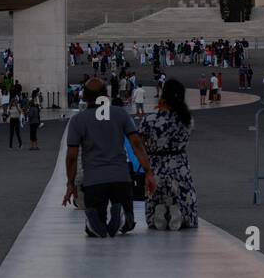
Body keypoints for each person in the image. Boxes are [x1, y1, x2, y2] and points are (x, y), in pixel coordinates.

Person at [63, 77, 154, 238]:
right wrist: (147, 171)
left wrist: (70, 183)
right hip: (120, 176)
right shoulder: (120, 114)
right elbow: (137, 144)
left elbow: (71, 156)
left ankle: (93, 222)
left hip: (93, 180)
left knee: (96, 222)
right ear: (106, 94)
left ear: (84, 97)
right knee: (129, 224)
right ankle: (124, 216)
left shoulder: (78, 121)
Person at [139, 79, 198, 231]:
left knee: (155, 195)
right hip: (179, 165)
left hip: (155, 165)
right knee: (183, 195)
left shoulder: (149, 120)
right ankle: (177, 212)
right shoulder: (187, 119)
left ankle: (159, 212)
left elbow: (139, 144)